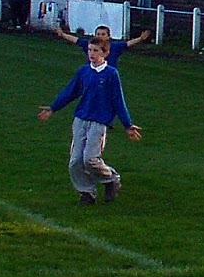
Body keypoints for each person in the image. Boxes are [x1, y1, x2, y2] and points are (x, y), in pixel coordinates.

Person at [37, 40, 141, 205]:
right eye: (90, 50)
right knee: (75, 161)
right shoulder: (84, 71)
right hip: (81, 120)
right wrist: (53, 107)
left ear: (105, 53)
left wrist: (127, 124)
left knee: (90, 159)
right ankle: (86, 193)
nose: (91, 53)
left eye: (96, 50)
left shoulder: (111, 74)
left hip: (99, 122)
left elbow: (118, 100)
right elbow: (70, 91)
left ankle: (111, 179)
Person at [56, 23, 152, 66]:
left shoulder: (115, 46)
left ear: (108, 36)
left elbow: (128, 43)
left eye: (103, 34)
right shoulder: (89, 44)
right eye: (98, 34)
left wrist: (140, 39)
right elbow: (75, 40)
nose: (100, 36)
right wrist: (63, 34)